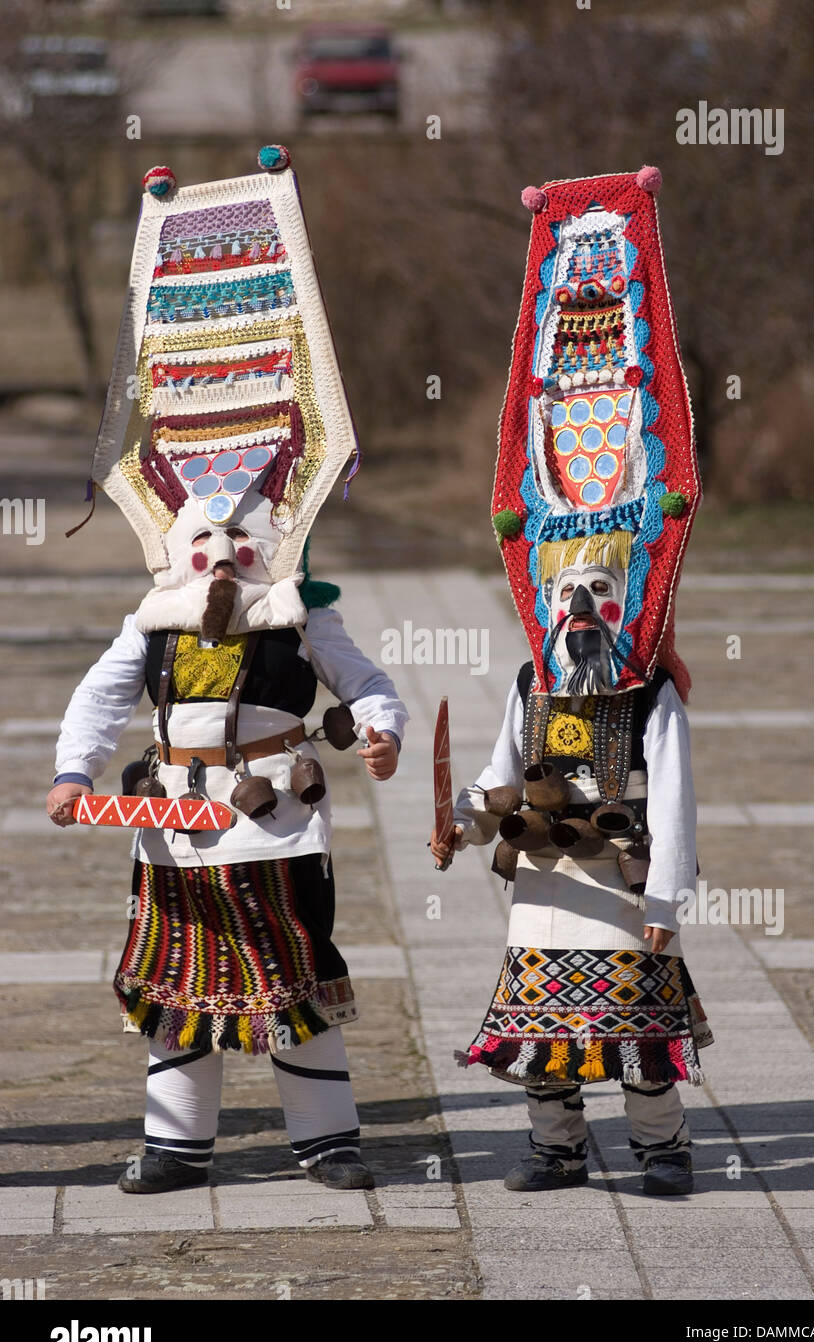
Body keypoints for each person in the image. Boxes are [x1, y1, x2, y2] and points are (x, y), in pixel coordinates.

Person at [45, 150, 408, 1194]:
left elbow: (366, 679)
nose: (217, 556)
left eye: (233, 540)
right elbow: (102, 694)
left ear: (266, 536)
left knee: (291, 971)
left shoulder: (300, 611)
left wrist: (378, 728)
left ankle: (328, 1141)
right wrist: (77, 771)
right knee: (173, 983)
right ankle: (173, 1144)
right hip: (169, 824)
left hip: (275, 816)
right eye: (201, 541)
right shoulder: (153, 618)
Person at [430, 167, 712, 1196]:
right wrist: (464, 819)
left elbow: (673, 792)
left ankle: (661, 1148)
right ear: (547, 601)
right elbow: (503, 772)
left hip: (624, 880)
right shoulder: (529, 682)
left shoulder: (647, 694)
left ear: (623, 591)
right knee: (543, 1031)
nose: (581, 609)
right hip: (544, 881)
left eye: (599, 589)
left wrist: (668, 894)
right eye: (568, 593)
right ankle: (552, 1146)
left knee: (638, 1033)